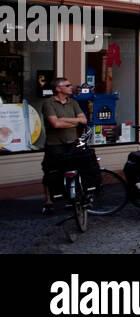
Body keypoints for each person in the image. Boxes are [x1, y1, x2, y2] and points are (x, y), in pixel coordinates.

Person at [39, 77, 88, 214]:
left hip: (72, 141)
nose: (71, 87)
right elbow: (55, 124)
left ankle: (70, 199)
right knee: (51, 172)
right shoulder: (49, 103)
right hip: (55, 144)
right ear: (58, 89)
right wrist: (75, 121)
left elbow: (83, 120)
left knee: (72, 171)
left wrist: (64, 120)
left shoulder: (73, 103)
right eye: (67, 85)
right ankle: (49, 201)